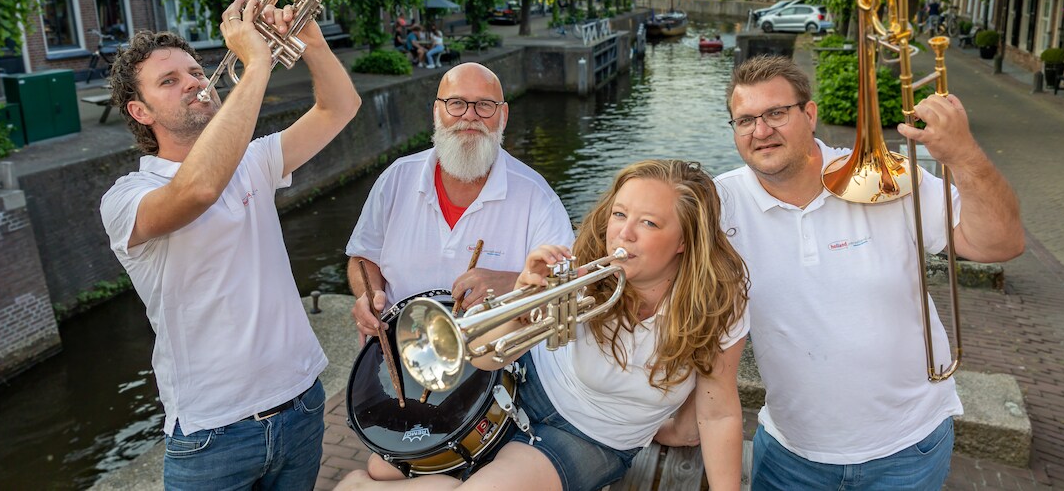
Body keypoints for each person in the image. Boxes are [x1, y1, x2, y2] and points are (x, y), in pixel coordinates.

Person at [708, 55, 1023, 490]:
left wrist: (964, 155)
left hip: (908, 451)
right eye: (745, 120)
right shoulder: (719, 205)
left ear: (810, 114)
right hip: (789, 456)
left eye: (776, 113)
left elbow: (1000, 244)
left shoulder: (885, 176)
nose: (761, 131)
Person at [338, 159, 751, 491]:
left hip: (589, 436)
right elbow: (484, 360)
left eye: (649, 223)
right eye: (619, 214)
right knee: (383, 466)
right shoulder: (585, 271)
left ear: (685, 240)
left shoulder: (717, 305)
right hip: (521, 385)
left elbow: (718, 415)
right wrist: (523, 298)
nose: (623, 234)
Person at [99, 0, 362, 489]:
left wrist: (311, 40)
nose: (193, 82)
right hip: (213, 432)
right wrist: (257, 62)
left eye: (196, 71)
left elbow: (340, 108)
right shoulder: (127, 197)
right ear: (140, 110)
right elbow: (198, 189)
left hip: (301, 403)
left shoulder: (253, 161)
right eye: (168, 81)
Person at [346, 62, 574, 341]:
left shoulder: (537, 196)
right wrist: (369, 295)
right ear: (436, 112)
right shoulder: (396, 178)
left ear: (503, 115)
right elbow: (364, 256)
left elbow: (568, 285)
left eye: (484, 105)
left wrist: (514, 283)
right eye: (456, 103)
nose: (469, 116)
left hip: (492, 356)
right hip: (400, 347)